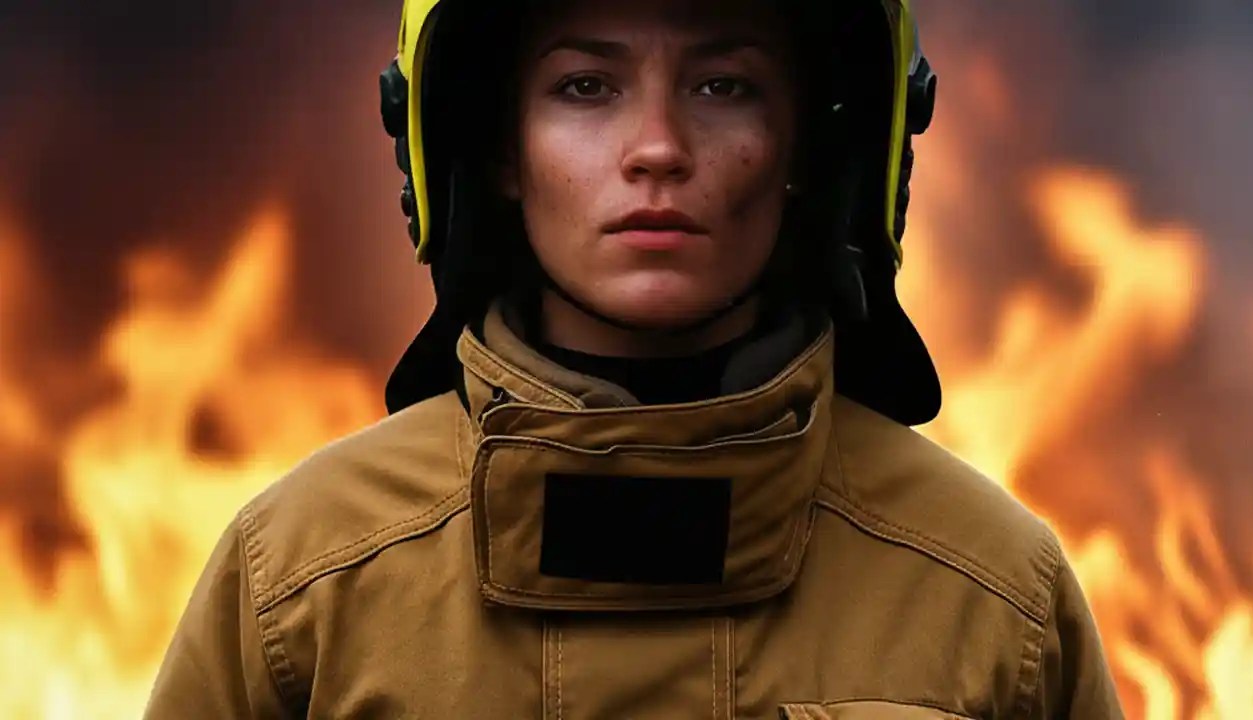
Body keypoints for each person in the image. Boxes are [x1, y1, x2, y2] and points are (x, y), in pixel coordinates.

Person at [145, 0, 1124, 717]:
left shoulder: (994, 602)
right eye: (584, 86)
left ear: (804, 148)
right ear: (495, 150)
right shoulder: (304, 590)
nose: (656, 147)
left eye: (722, 85)